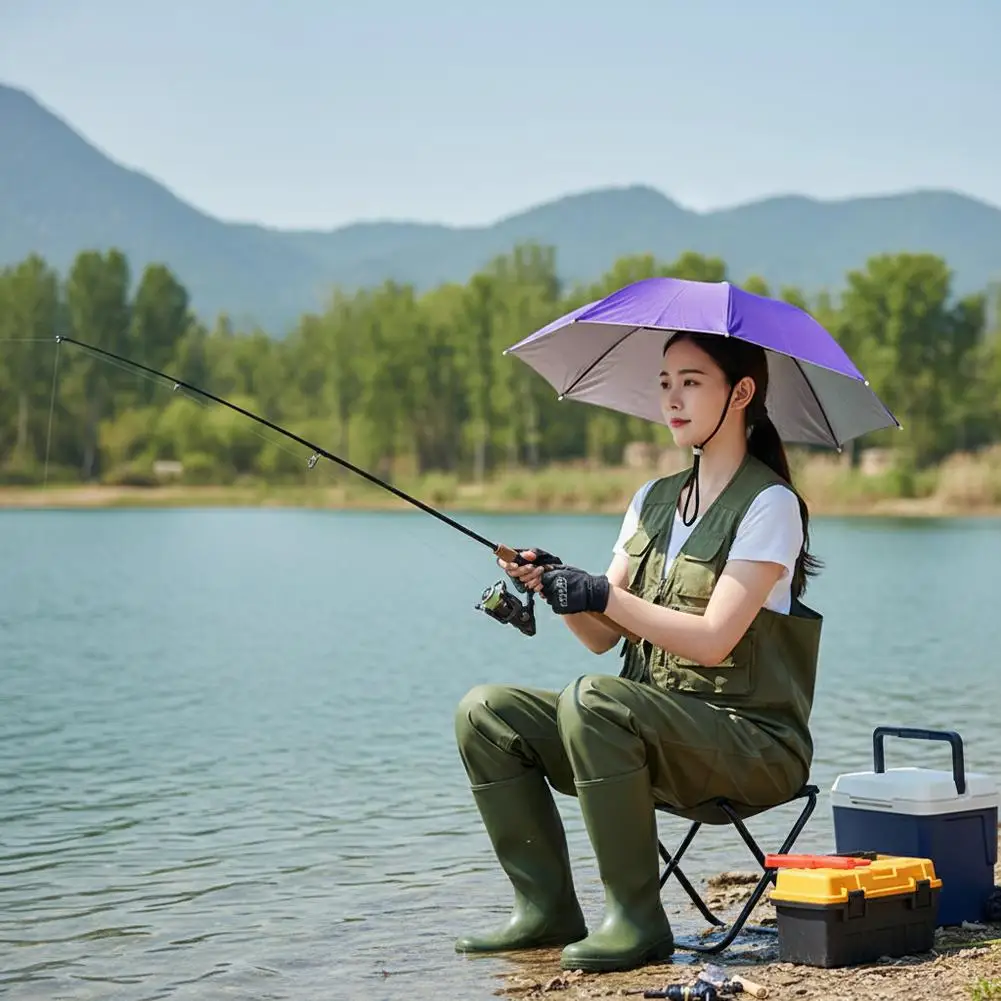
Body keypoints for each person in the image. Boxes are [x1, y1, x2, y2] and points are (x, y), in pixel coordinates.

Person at [452, 330, 824, 973]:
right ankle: (545, 911)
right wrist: (559, 585)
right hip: (645, 729)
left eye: (691, 382)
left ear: (741, 393)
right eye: (664, 383)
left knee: (592, 700)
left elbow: (713, 640)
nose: (672, 398)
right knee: (485, 713)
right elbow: (603, 635)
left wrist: (602, 592)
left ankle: (637, 922)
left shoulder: (771, 505)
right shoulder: (651, 500)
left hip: (752, 745)